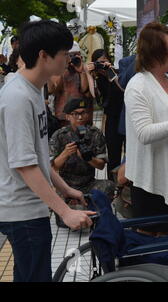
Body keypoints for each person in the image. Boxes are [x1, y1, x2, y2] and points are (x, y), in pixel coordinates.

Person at [0, 20, 95, 282]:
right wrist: (64, 211)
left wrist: (65, 189)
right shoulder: (17, 97)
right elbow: (24, 165)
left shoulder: (34, 90)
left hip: (31, 207)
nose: (69, 59)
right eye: (65, 54)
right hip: (22, 212)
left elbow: (39, 155)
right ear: (44, 55)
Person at [124, 22, 168, 235]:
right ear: (154, 51)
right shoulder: (138, 86)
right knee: (153, 242)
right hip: (150, 178)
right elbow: (144, 133)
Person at [49, 98, 115, 209]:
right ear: (67, 116)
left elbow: (101, 165)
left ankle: (90, 209)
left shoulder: (95, 133)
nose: (80, 117)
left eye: (83, 113)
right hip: (66, 185)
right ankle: (77, 207)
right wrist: (65, 153)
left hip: (89, 183)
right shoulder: (59, 135)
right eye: (75, 114)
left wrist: (89, 158)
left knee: (109, 186)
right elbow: (53, 167)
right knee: (55, 194)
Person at [91, 49, 125, 180]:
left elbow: (121, 89)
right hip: (111, 118)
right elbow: (96, 97)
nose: (102, 64)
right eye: (99, 62)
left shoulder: (116, 74)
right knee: (113, 155)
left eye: (105, 61)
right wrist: (91, 75)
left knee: (128, 153)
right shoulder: (96, 79)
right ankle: (112, 184)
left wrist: (110, 73)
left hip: (123, 115)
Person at [48, 41, 95, 127]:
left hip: (82, 117)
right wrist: (64, 67)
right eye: (69, 55)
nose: (71, 58)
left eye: (75, 55)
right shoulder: (58, 69)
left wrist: (81, 72)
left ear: (80, 55)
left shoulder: (86, 69)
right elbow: (53, 90)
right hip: (63, 118)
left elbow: (85, 90)